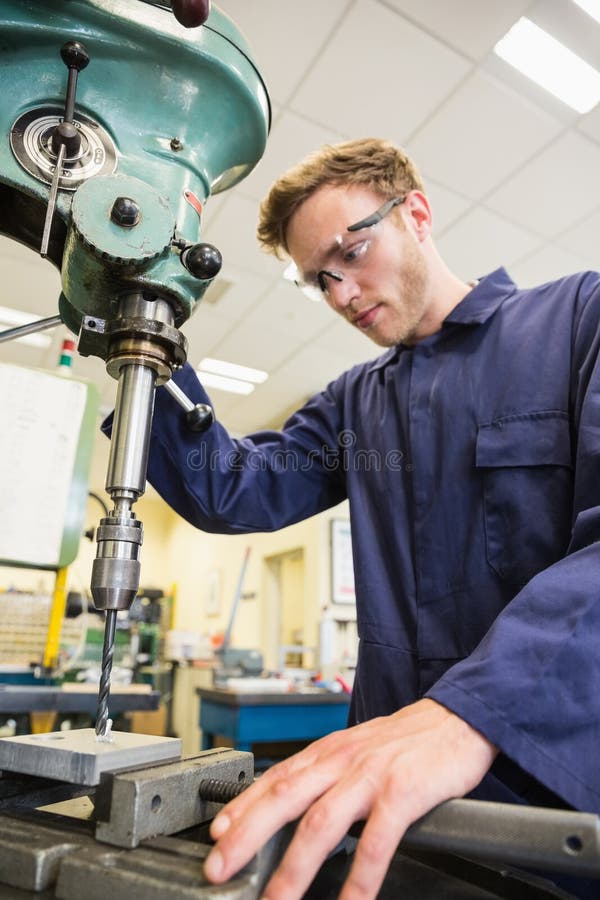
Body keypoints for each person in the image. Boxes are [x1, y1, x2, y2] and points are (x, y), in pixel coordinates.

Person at [128, 139, 600, 898]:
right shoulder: (356, 403)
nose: (343, 293)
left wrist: (472, 712)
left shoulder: (577, 320)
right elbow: (231, 487)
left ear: (415, 212)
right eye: (321, 279)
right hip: (388, 816)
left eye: (352, 252)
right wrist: (146, 348)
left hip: (549, 803)